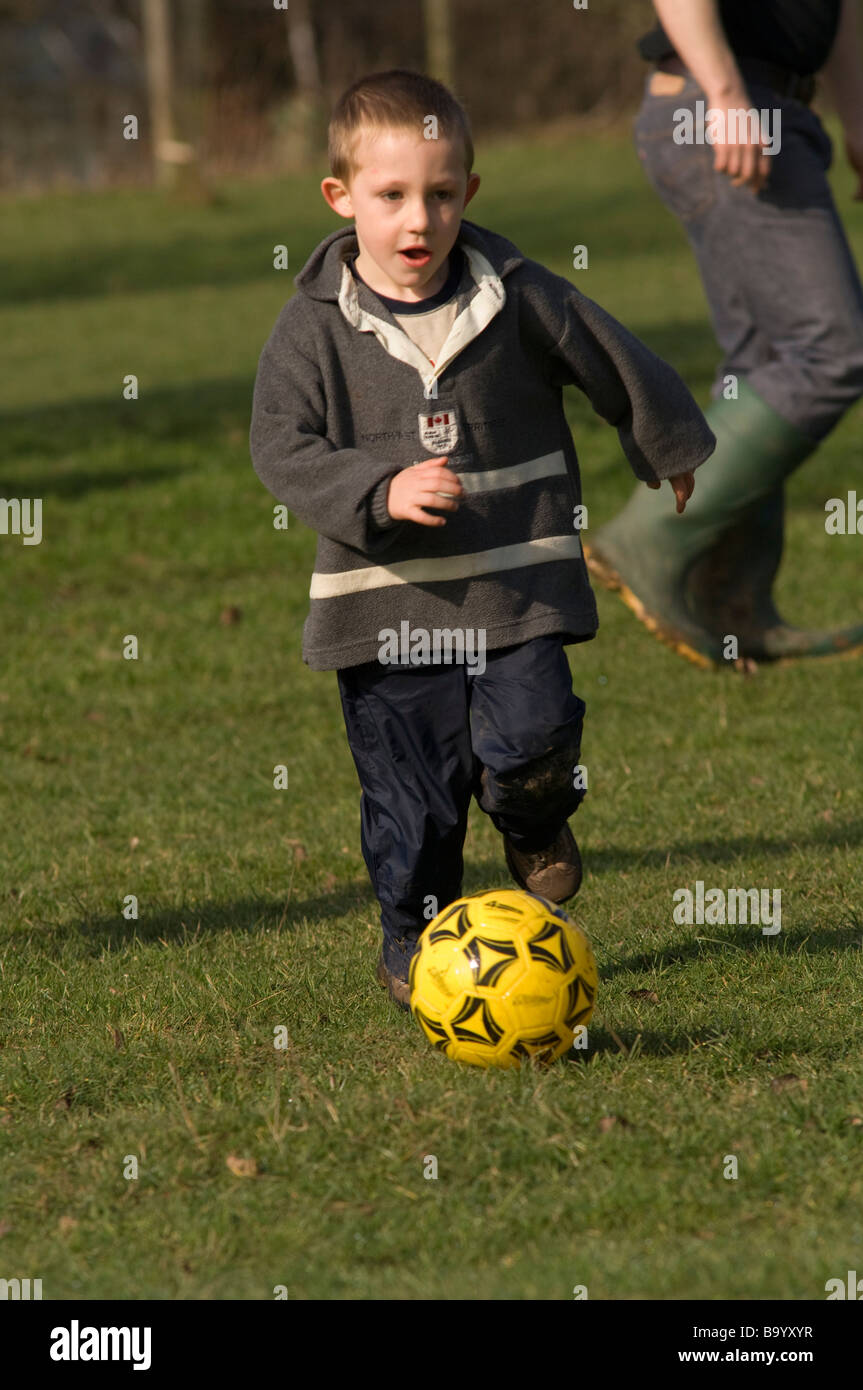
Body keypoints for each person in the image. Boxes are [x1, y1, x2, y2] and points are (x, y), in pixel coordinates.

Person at [249, 69, 714, 1009]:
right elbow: (279, 446)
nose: (417, 218)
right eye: (390, 197)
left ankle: (534, 824)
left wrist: (664, 441)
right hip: (385, 613)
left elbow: (609, 353)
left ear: (469, 192)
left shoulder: (515, 294)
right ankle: (413, 942)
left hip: (519, 585)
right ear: (341, 199)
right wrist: (376, 487)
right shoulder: (311, 328)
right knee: (414, 803)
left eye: (440, 193)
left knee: (534, 739)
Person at [586, 0, 863, 668]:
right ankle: (645, 540)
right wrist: (727, 93)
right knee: (833, 351)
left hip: (765, 103)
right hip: (722, 100)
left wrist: (856, 116)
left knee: (763, 358)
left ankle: (732, 607)